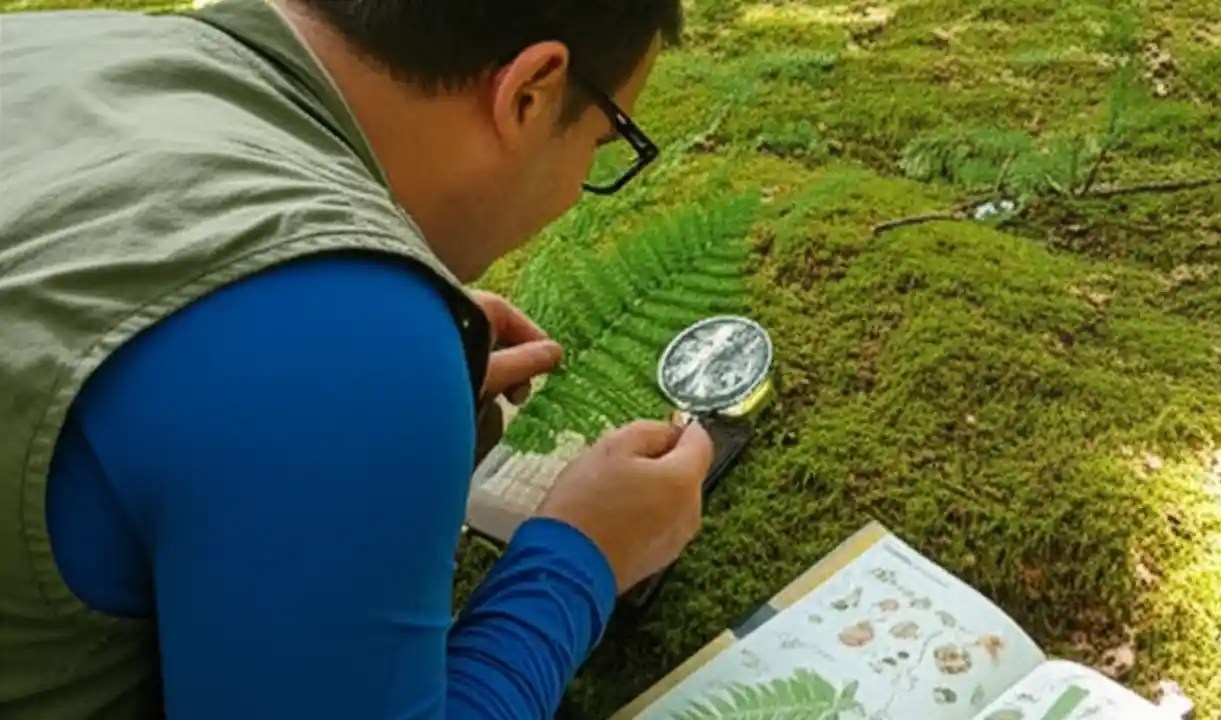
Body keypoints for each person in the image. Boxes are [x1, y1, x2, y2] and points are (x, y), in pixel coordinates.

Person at [0, 0, 714, 718]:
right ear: (531, 91)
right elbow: (279, 364)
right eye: (601, 141)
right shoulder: (341, 345)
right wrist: (580, 556)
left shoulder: (62, 47)